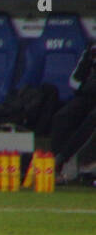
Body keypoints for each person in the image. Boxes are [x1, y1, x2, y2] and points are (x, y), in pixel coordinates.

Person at [50, 42, 96, 181]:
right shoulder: (91, 50)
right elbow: (74, 81)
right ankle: (56, 166)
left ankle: (66, 159)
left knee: (93, 118)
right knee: (62, 116)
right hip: (88, 96)